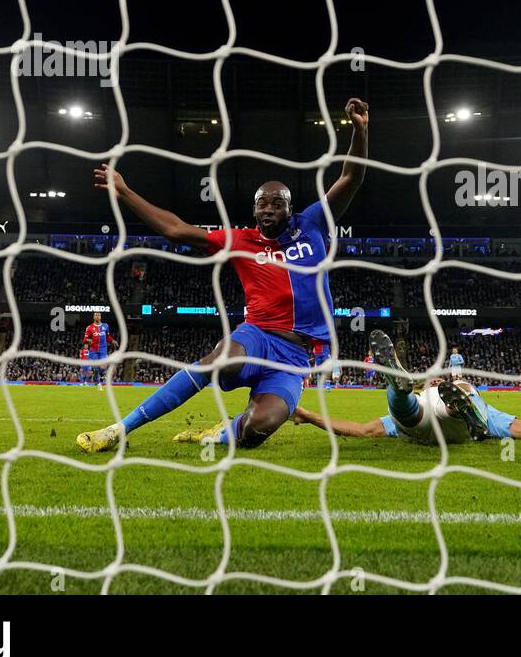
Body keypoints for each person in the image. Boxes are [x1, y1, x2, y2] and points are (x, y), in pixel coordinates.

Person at [76, 98, 369, 453]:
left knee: (257, 429)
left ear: (290, 209)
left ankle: (222, 432)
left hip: (294, 359)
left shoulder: (313, 223)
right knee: (221, 361)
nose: (269, 209)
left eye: (277, 203)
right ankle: (121, 427)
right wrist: (125, 193)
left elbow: (351, 176)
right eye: (262, 203)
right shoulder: (240, 241)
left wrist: (360, 130)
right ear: (254, 209)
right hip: (257, 335)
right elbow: (175, 229)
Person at [291, 331, 521, 445]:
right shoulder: (492, 413)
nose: (449, 378)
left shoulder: (485, 408)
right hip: (437, 419)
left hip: (429, 422)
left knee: (407, 410)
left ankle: (411, 391)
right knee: (409, 408)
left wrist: (309, 415)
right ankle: (404, 387)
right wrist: (307, 416)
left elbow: (359, 430)